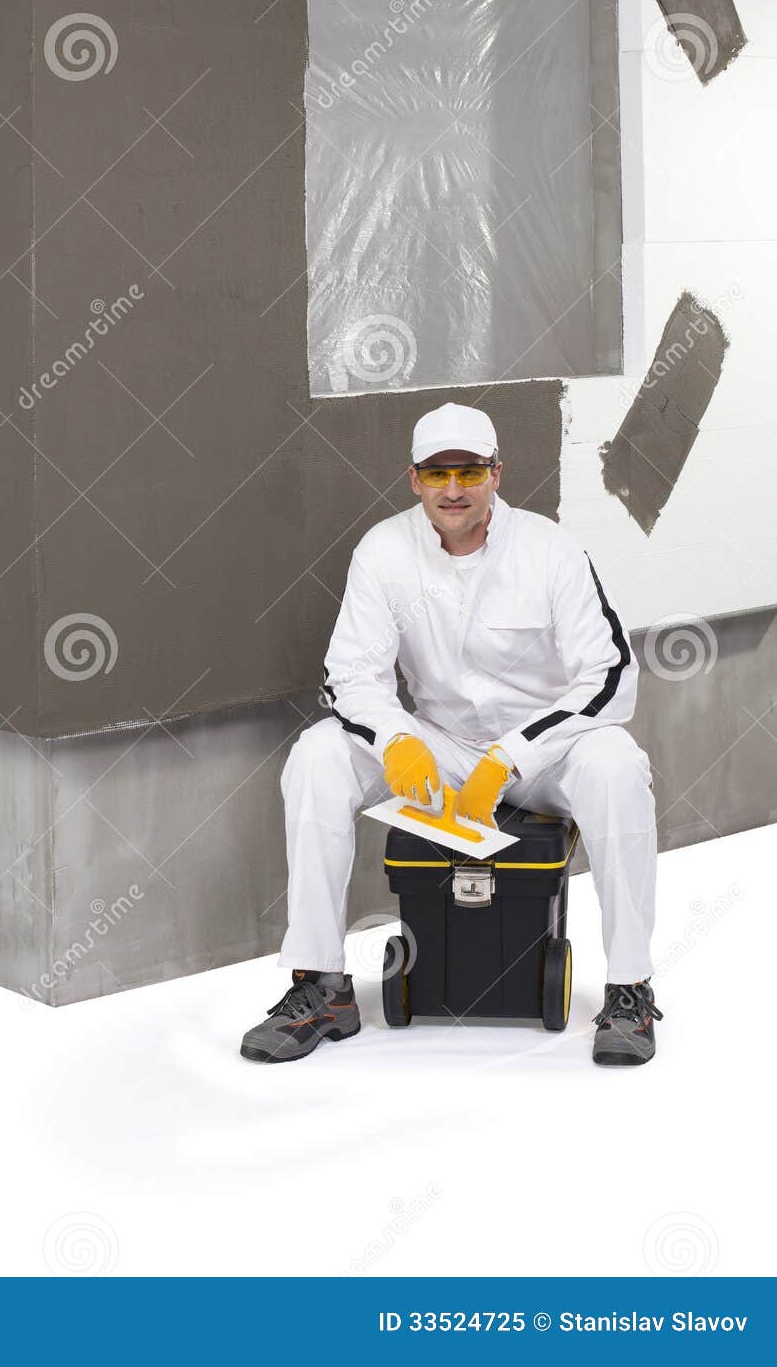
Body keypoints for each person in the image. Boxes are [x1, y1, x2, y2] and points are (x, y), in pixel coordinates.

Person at [241, 401, 662, 1068]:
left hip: (542, 755)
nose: (454, 489)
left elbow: (610, 676)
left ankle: (629, 990)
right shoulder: (383, 551)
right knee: (317, 754)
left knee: (615, 764)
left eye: (469, 471)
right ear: (414, 480)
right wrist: (395, 743)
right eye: (437, 474)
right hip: (435, 748)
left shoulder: (548, 549)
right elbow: (349, 676)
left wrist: (513, 756)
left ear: (496, 473)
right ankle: (319, 986)